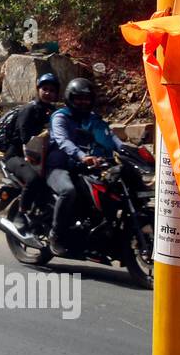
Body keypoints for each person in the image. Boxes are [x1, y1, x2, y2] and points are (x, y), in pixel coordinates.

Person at [45, 76, 139, 254]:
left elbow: (109, 137)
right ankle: (55, 235)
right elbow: (63, 141)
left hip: (86, 167)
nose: (82, 102)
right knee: (68, 191)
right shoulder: (61, 117)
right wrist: (82, 156)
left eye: (86, 98)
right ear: (70, 99)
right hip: (60, 166)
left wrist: (128, 151)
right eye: (78, 98)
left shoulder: (93, 119)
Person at [0, 73, 61, 247]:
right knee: (33, 179)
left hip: (41, 157)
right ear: (38, 90)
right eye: (45, 89)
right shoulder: (29, 109)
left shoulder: (55, 113)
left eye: (52, 90)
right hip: (17, 156)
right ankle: (20, 215)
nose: (48, 93)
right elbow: (26, 138)